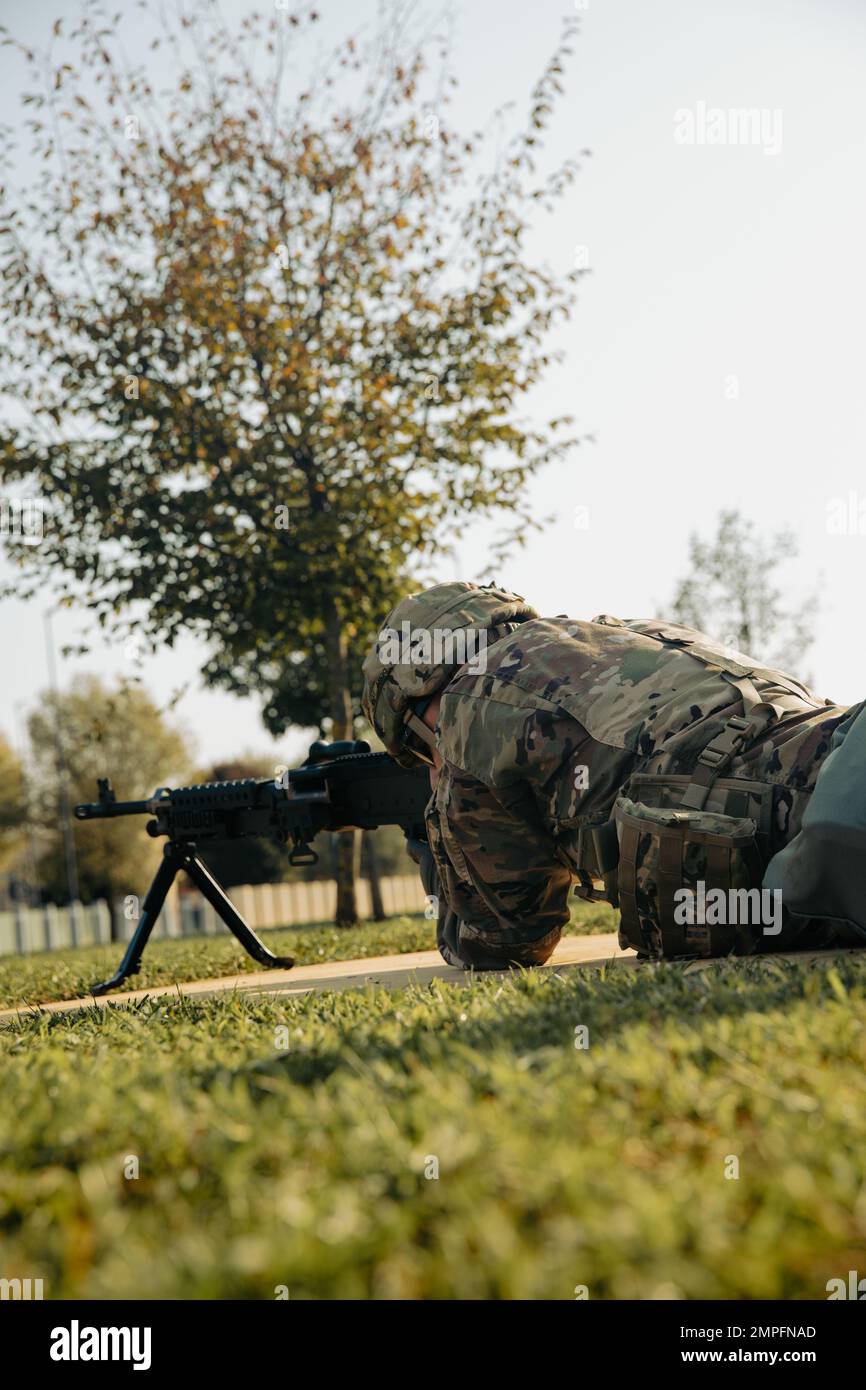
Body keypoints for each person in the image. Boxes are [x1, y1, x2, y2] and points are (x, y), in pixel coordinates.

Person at [361, 580, 864, 969]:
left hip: (821, 828)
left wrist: (435, 843)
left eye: (421, 750)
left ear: (417, 698)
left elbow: (505, 941)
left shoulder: (467, 707)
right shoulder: (624, 632)